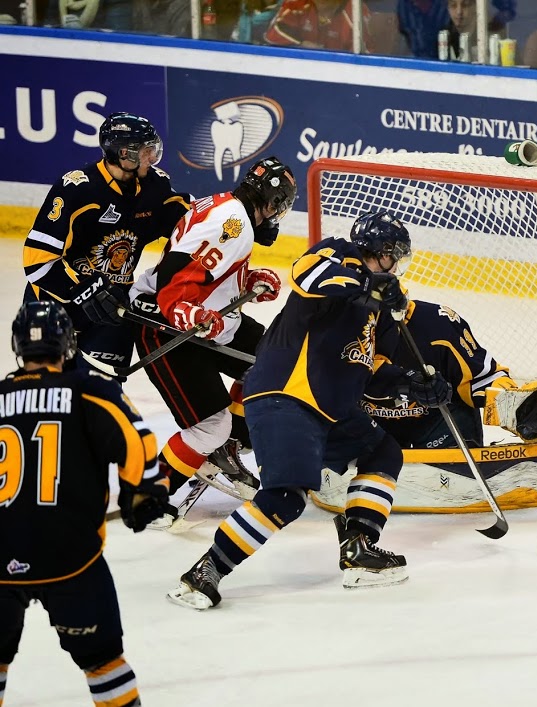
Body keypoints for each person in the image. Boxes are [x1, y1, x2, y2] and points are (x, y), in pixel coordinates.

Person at [166, 210, 452, 609]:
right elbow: (306, 274)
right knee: (286, 498)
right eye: (394, 256)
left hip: (330, 410)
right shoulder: (338, 256)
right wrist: (372, 283)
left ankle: (360, 549)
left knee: (382, 451)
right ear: (381, 252)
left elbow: (365, 369)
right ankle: (206, 572)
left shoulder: (373, 309)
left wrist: (412, 384)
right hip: (287, 397)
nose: (396, 266)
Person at [0, 301, 169, 706]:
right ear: (67, 345)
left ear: (18, 346)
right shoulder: (89, 389)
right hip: (70, 555)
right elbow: (138, 441)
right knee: (102, 662)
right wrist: (143, 491)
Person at [128, 156, 295, 517]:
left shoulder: (227, 207)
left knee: (272, 364)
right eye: (279, 206)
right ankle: (149, 499)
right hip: (168, 328)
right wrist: (189, 312)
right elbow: (174, 280)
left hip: (205, 323)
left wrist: (244, 283)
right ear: (270, 203)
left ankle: (226, 448)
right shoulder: (234, 222)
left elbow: (203, 267)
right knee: (209, 427)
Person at [22, 111, 191, 372]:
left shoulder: (155, 186)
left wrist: (248, 217)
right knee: (47, 389)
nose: (152, 157)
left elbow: (193, 221)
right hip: (55, 306)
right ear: (124, 154)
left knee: (104, 386)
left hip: (114, 308)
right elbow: (37, 262)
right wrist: (87, 289)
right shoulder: (78, 189)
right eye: (146, 151)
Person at [362, 298, 537, 449]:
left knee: (451, 396)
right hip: (366, 434)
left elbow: (481, 377)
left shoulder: (436, 323)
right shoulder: (340, 323)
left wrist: (512, 405)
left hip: (437, 434)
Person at [398, 0, 515, 59]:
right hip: (418, 66)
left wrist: (505, 12)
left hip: (463, 64)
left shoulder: (452, 8)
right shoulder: (404, 6)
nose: (458, 12)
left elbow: (506, 11)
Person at [262, 0, 374, 51]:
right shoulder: (297, 3)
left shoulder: (356, 11)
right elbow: (273, 34)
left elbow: (365, 57)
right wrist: (301, 45)